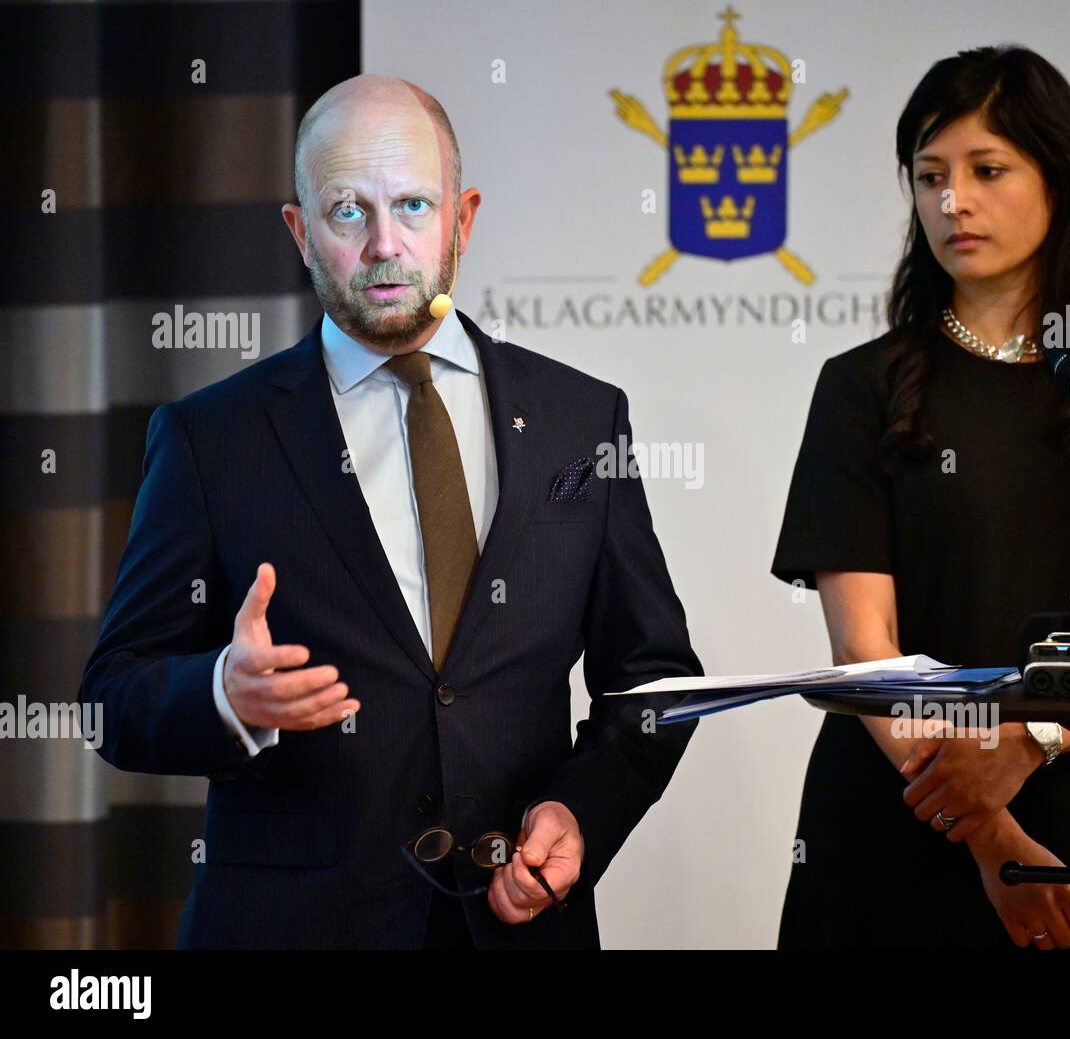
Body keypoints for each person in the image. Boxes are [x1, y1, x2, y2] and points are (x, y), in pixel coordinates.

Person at [79, 74, 702, 949]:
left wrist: (580, 807)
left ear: (463, 217)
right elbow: (111, 697)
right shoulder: (208, 437)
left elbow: (655, 676)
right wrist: (224, 691)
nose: (384, 244)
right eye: (346, 211)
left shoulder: (580, 418)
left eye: (413, 204)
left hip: (516, 928)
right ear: (299, 231)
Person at [770, 46, 1070, 950]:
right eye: (930, 176)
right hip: (898, 818)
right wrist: (990, 831)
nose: (953, 201)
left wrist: (1027, 740)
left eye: (987, 170)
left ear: (1058, 180)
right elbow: (861, 649)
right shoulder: (861, 385)